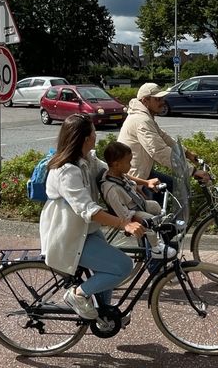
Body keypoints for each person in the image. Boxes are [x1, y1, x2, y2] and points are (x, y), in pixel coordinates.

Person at [40, 114, 144, 320]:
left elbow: (113, 171)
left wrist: (143, 182)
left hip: (86, 231)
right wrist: (125, 224)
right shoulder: (67, 171)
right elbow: (89, 210)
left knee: (106, 269)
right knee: (122, 266)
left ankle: (105, 314)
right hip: (67, 235)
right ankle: (77, 295)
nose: (96, 136)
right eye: (94, 132)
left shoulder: (87, 160)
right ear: (85, 138)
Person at [117, 82, 210, 197]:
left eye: (162, 98)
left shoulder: (145, 117)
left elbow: (164, 138)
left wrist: (187, 154)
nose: (162, 102)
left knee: (173, 186)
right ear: (145, 101)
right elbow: (159, 151)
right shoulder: (141, 120)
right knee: (156, 207)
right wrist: (193, 171)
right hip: (135, 177)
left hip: (144, 172)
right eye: (158, 99)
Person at [99, 141, 175, 261]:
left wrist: (144, 187)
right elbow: (121, 211)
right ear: (116, 164)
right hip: (132, 212)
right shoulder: (111, 188)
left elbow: (130, 182)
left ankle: (163, 228)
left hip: (139, 204)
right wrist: (133, 221)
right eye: (128, 162)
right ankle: (156, 248)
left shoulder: (119, 175)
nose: (130, 165)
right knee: (150, 222)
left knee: (156, 206)